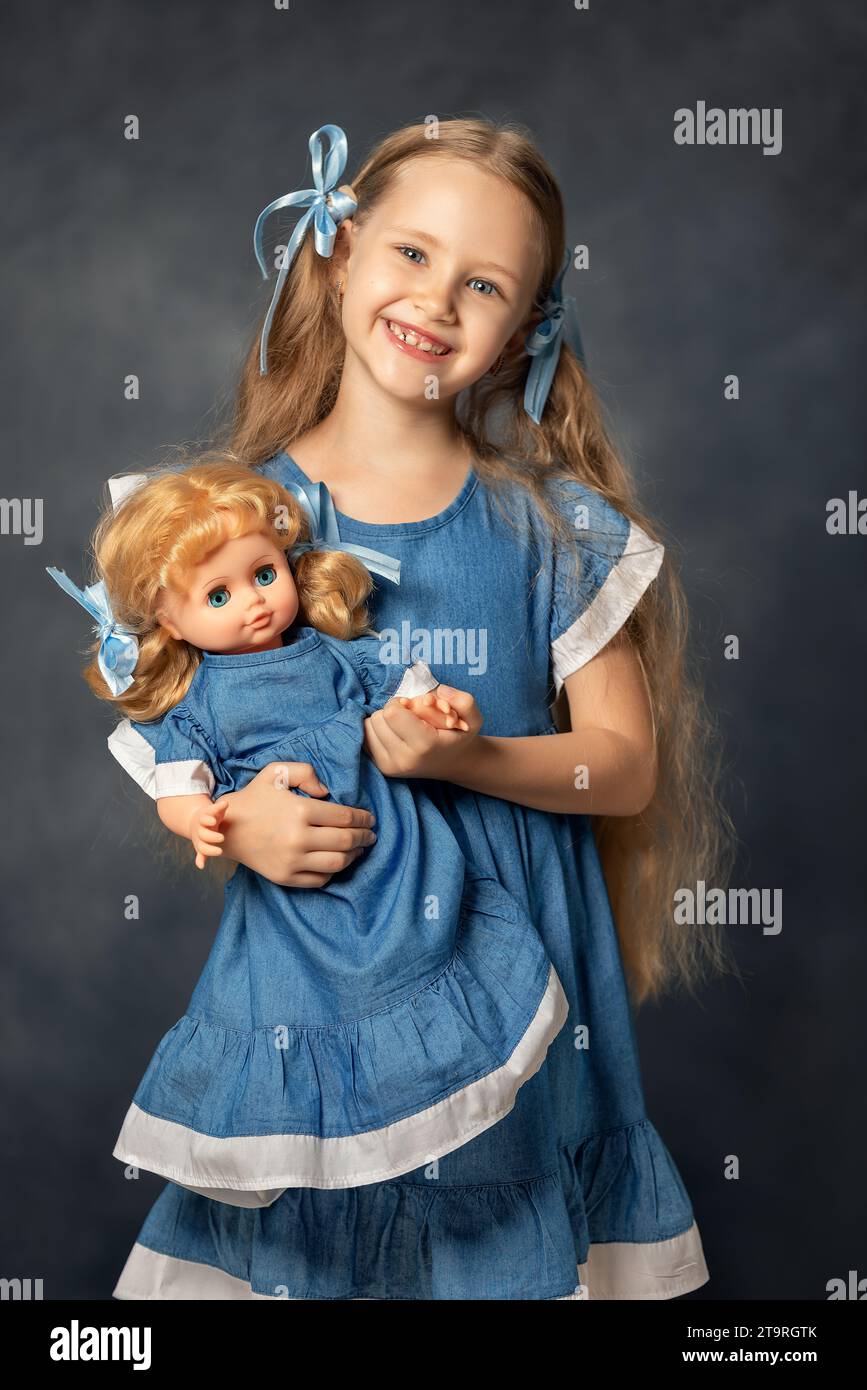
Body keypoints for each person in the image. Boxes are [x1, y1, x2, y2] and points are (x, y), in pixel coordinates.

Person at [105, 118, 737, 1300]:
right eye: (410, 254)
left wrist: (475, 755)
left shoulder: (551, 529)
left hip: (520, 1000)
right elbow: (185, 748)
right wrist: (242, 824)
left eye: (483, 283)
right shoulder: (230, 526)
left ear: (524, 328)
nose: (437, 301)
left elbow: (629, 767)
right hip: (321, 1007)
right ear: (335, 252)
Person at [47, 459, 567, 1199]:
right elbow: (178, 781)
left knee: (422, 964)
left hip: (397, 861)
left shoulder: (332, 655)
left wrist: (440, 711)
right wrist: (203, 820)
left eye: (263, 574)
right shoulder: (202, 703)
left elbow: (401, 690)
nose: (254, 605)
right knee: (302, 1005)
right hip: (297, 900)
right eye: (218, 595)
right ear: (168, 619)